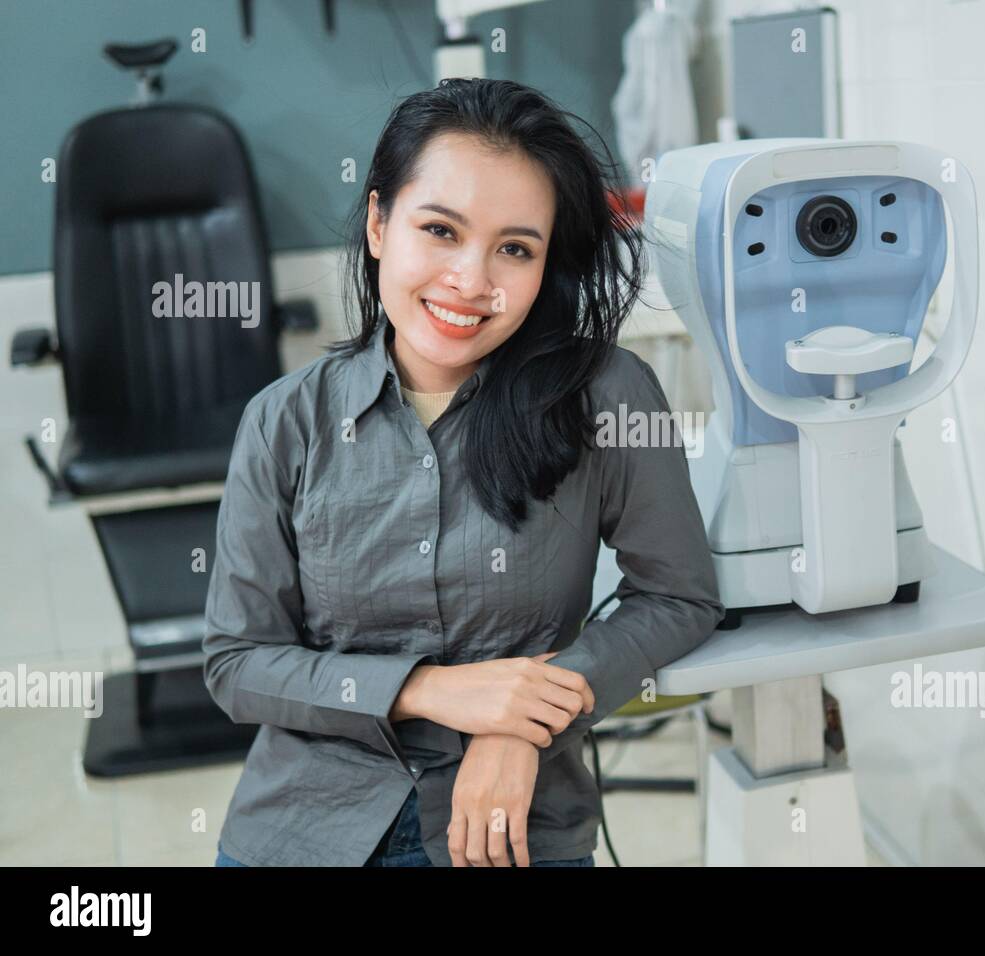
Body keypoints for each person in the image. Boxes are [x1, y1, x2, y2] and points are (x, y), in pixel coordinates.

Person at [203, 77, 725, 867]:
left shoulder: (608, 396)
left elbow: (678, 594)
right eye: (440, 230)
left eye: (515, 248)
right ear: (379, 224)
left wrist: (524, 720)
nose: (471, 281)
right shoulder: (285, 422)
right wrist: (433, 692)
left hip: (513, 831)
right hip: (304, 829)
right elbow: (237, 663)